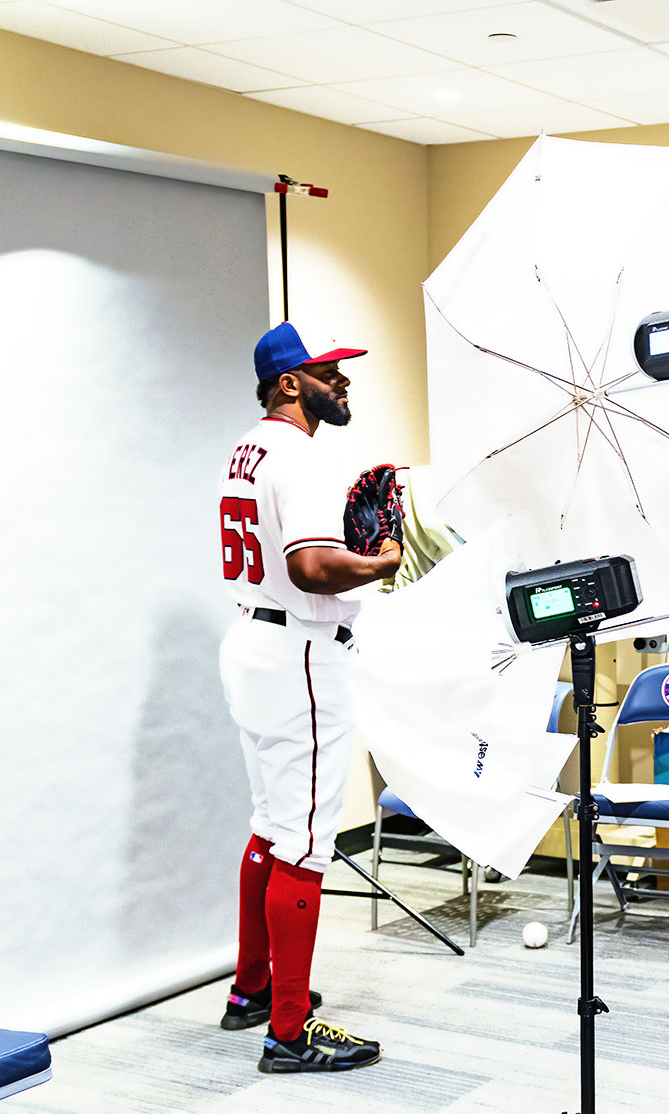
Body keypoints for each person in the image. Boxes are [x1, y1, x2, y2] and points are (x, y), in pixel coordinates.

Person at [216, 321, 403, 1074]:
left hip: (251, 644)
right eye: (330, 372)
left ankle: (252, 990)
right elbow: (314, 570)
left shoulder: (246, 448)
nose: (344, 382)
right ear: (290, 383)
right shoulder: (302, 456)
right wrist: (381, 560)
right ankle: (289, 1034)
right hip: (299, 655)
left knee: (270, 826)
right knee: (305, 844)